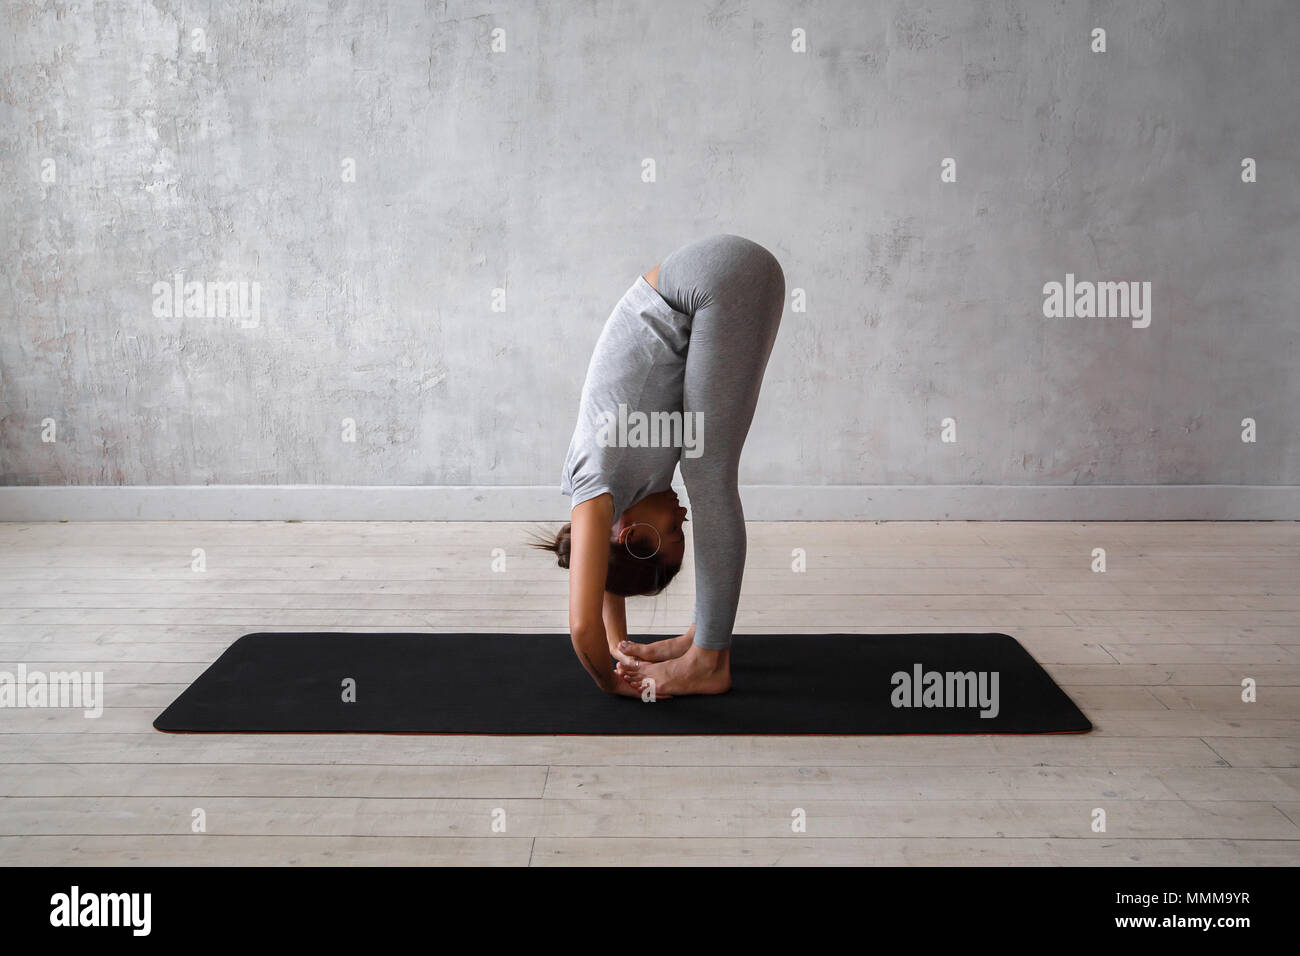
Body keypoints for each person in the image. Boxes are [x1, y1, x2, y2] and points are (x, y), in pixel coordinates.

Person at [531, 234, 785, 697]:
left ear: (635, 535)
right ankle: (706, 640)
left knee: (708, 477)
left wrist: (612, 685)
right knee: (705, 470)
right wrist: (621, 648)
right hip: (719, 275)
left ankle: (709, 661)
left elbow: (579, 621)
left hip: (713, 280)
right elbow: (605, 568)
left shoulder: (596, 483)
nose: (682, 517)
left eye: (673, 532)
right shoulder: (613, 501)